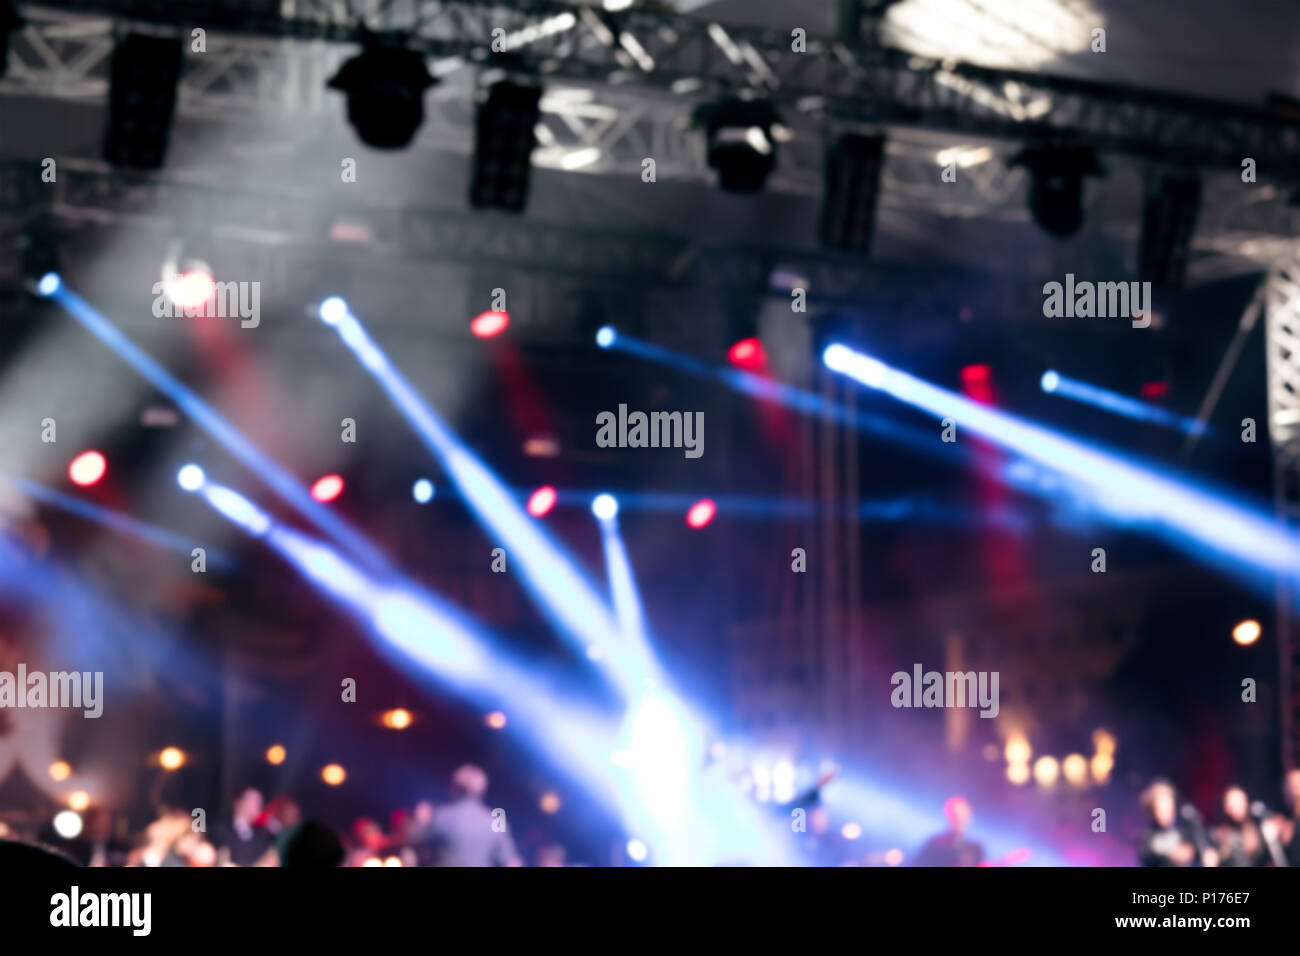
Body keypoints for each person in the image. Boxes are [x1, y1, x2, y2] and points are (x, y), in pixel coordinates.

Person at [429, 764, 521, 867]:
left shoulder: (444, 816)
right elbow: (512, 862)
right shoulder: (496, 821)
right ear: (483, 791)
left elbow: (417, 839)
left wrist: (423, 818)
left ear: (455, 788)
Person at [1137, 780, 1215, 867]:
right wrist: (1172, 855)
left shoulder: (1184, 831)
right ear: (1153, 811)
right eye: (1161, 810)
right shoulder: (1148, 838)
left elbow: (1202, 846)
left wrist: (1204, 851)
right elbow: (1148, 856)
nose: (1166, 813)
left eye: (1169, 808)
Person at [912, 796, 984, 867]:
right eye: (955, 816)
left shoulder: (975, 849)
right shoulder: (935, 844)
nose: (959, 820)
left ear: (969, 817)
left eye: (962, 816)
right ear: (948, 816)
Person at [212, 787, 275, 866]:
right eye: (251, 802)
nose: (255, 807)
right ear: (238, 803)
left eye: (259, 803)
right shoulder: (220, 830)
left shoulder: (262, 839)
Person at [1213, 786, 1268, 867]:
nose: (1236, 807)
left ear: (1246, 803)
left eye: (1239, 803)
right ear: (1226, 807)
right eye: (1233, 804)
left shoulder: (1259, 831)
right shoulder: (1219, 835)